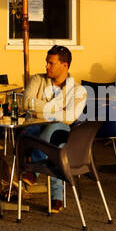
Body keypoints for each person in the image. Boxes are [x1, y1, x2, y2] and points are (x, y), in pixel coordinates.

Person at [19, 46, 87, 212]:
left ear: (64, 65)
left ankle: (33, 168)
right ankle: (57, 196)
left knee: (55, 131)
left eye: (51, 63)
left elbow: (70, 118)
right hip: (33, 129)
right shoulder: (37, 80)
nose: (46, 66)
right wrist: (59, 111)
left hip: (60, 133)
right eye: (46, 62)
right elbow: (25, 103)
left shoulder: (78, 90)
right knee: (56, 143)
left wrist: (40, 107)